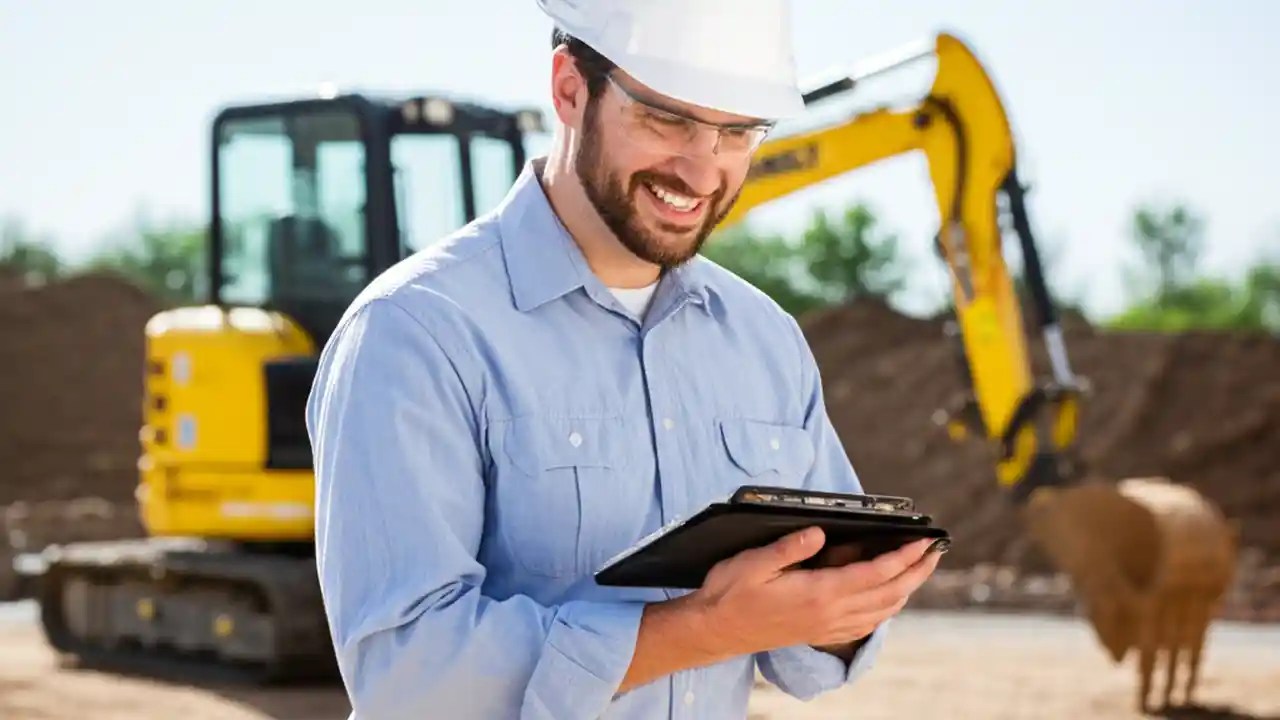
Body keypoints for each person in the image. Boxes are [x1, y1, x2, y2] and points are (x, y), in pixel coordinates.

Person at [305, 1, 944, 717]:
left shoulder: (764, 341)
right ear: (571, 89)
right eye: (667, 119)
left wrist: (845, 605)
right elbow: (408, 677)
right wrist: (704, 630)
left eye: (738, 132)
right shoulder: (417, 331)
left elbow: (807, 666)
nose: (702, 171)